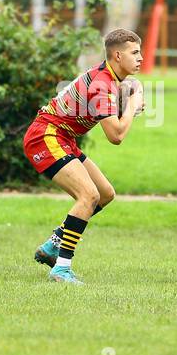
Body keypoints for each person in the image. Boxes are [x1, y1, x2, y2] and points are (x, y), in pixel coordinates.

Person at [23, 29, 145, 284]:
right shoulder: (103, 84)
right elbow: (116, 136)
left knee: (105, 193)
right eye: (135, 52)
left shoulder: (108, 79)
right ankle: (61, 269)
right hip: (46, 135)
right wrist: (132, 106)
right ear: (117, 55)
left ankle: (54, 244)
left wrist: (127, 104)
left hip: (62, 138)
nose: (141, 58)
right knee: (88, 195)